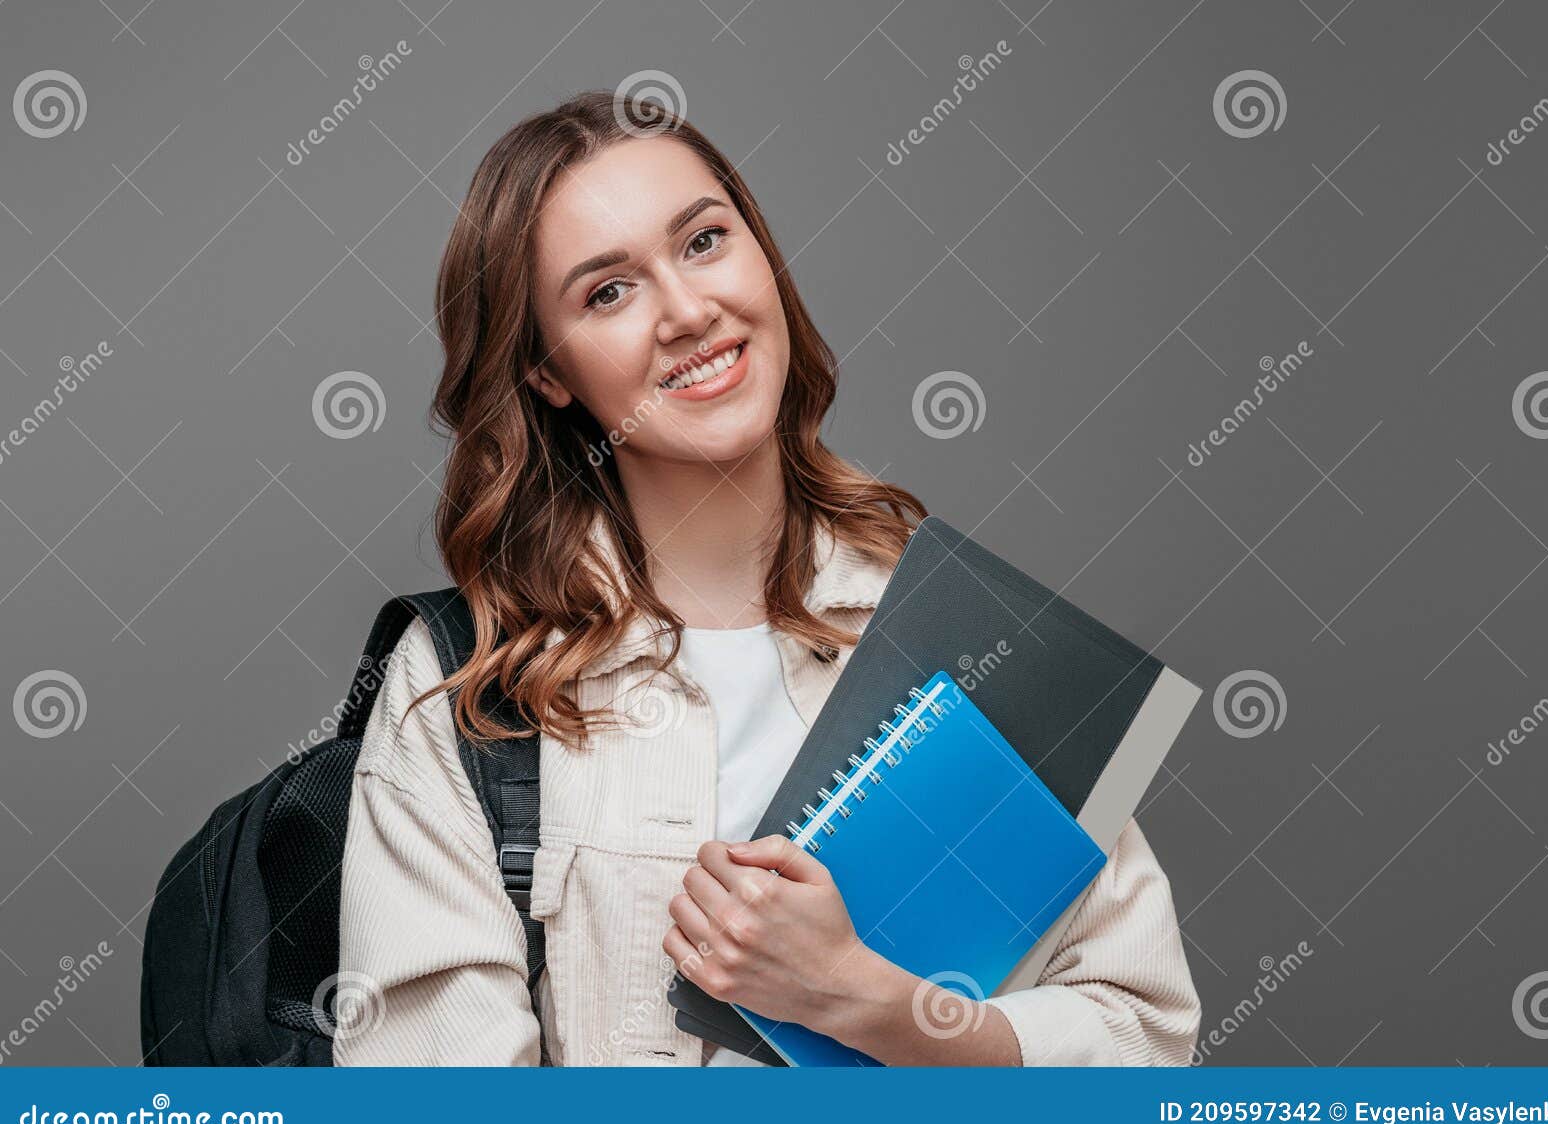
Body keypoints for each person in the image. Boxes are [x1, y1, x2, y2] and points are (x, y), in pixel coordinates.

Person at [332, 91, 1201, 1067]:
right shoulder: (466, 689)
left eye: (704, 241)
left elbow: (1143, 1042)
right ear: (547, 374)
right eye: (606, 292)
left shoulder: (963, 635)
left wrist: (863, 999)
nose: (689, 310)